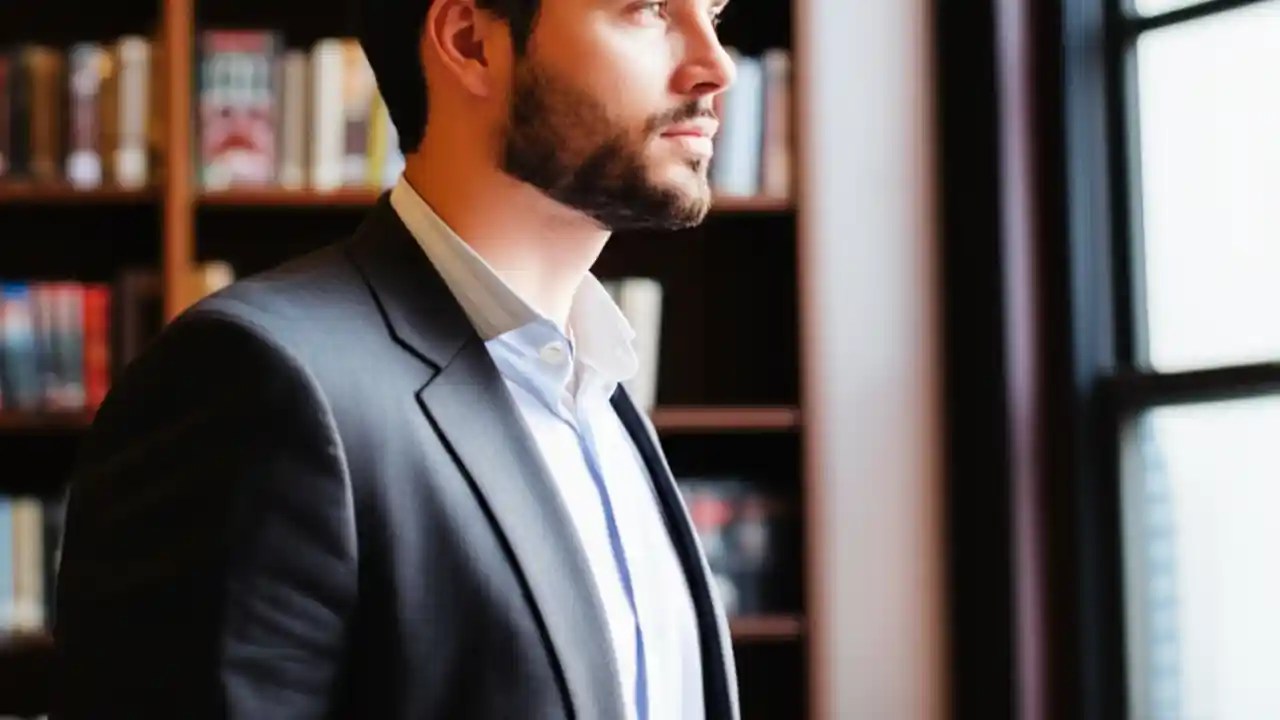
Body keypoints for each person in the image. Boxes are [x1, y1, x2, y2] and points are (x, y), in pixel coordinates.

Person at [49, 0, 739, 718]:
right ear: (471, 42)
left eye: (712, 13)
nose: (715, 64)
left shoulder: (601, 391)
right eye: (650, 9)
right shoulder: (247, 382)